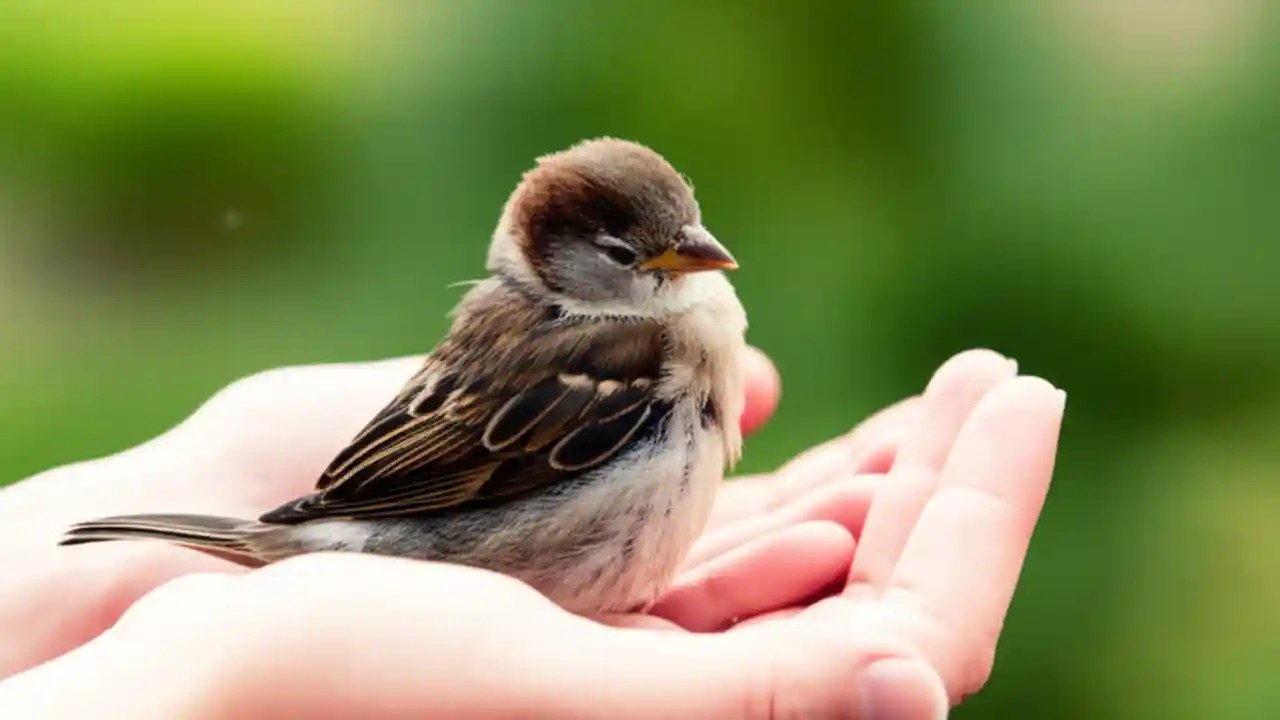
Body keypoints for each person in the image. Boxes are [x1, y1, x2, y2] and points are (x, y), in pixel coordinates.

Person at [0, 347, 1063, 719]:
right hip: (431, 526)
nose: (689, 264)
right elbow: (475, 466)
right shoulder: (614, 358)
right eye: (638, 256)